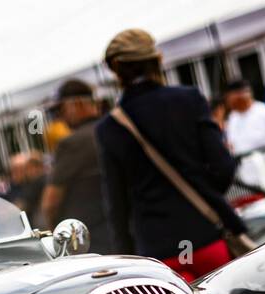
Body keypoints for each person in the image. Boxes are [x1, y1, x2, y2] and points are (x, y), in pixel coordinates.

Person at [95, 27, 244, 279]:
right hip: (206, 236)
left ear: (116, 70)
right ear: (157, 60)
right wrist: (206, 194)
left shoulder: (109, 128)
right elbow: (223, 166)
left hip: (158, 254)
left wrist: (127, 258)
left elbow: (117, 206)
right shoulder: (189, 99)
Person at [40, 79, 111, 247]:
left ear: (77, 104)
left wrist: (53, 234)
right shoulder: (115, 129)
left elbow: (51, 202)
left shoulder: (71, 143)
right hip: (125, 229)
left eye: (61, 110)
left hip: (89, 236)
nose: (60, 118)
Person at [222, 79, 265, 194]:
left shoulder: (263, 111)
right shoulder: (233, 118)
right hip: (248, 183)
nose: (228, 103)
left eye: (230, 98)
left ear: (241, 95)